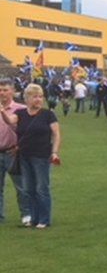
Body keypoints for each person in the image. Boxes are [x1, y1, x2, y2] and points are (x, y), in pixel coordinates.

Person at [0, 83, 61, 228]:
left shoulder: (48, 114)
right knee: (28, 189)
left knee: (42, 188)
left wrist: (54, 152)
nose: (38, 100)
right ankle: (33, 218)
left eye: (40, 97)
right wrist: (2, 111)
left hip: (41, 156)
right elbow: (9, 121)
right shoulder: (21, 114)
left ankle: (44, 219)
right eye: (35, 97)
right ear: (27, 98)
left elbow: (56, 134)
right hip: (24, 156)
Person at [0, 77, 30, 225]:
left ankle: (26, 215)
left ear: (12, 91)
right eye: (0, 90)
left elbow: (27, 132)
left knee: (21, 186)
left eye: (5, 90)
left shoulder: (21, 109)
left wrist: (20, 146)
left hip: (13, 152)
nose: (2, 93)